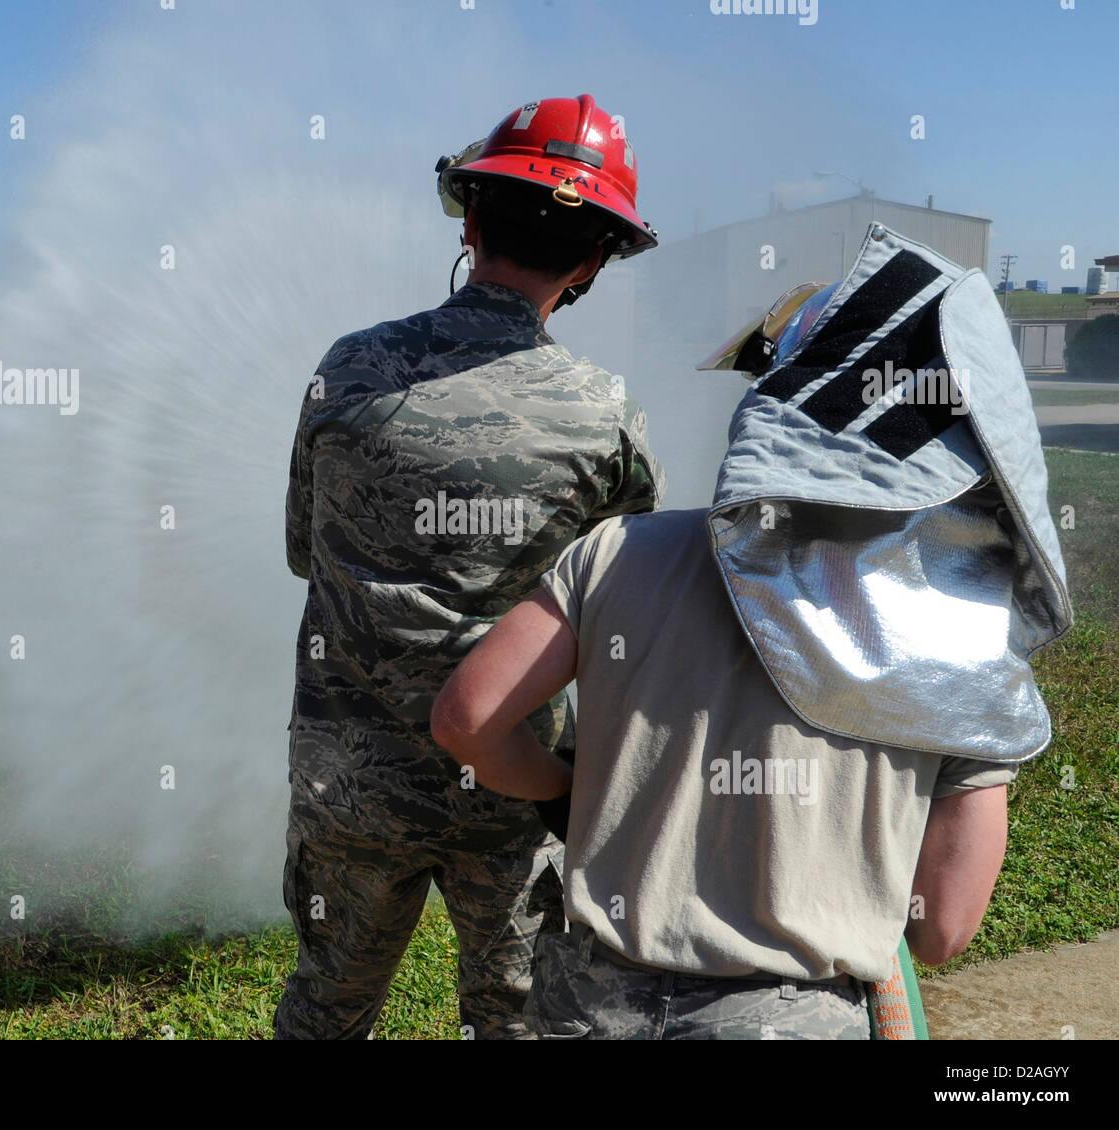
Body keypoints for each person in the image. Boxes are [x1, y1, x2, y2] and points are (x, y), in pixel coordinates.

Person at [431, 228, 1071, 1039]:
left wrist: (564, 789)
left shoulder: (620, 552)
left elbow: (466, 716)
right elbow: (941, 928)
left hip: (589, 1006)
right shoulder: (966, 634)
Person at [274, 94, 665, 1040]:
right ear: (594, 262)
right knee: (521, 1018)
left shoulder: (349, 368)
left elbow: (301, 551)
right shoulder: (603, 411)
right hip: (519, 789)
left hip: (350, 783)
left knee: (329, 1006)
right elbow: (618, 619)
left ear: (473, 217)